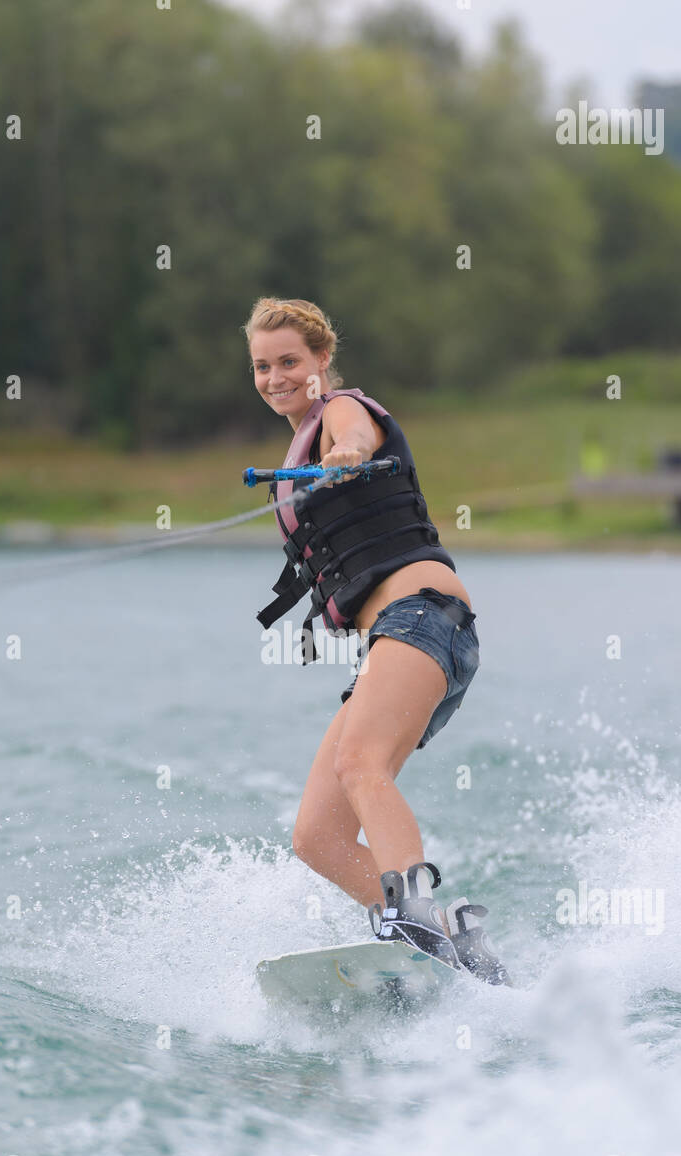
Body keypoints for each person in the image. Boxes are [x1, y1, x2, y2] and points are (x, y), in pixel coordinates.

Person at [244, 297, 509, 984]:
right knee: (318, 837)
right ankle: (458, 945)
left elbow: (354, 435)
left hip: (425, 617)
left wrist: (350, 455)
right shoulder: (296, 449)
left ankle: (411, 909)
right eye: (262, 366)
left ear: (321, 360)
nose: (276, 377)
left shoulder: (341, 410)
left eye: (290, 362)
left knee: (361, 762)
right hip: (399, 644)